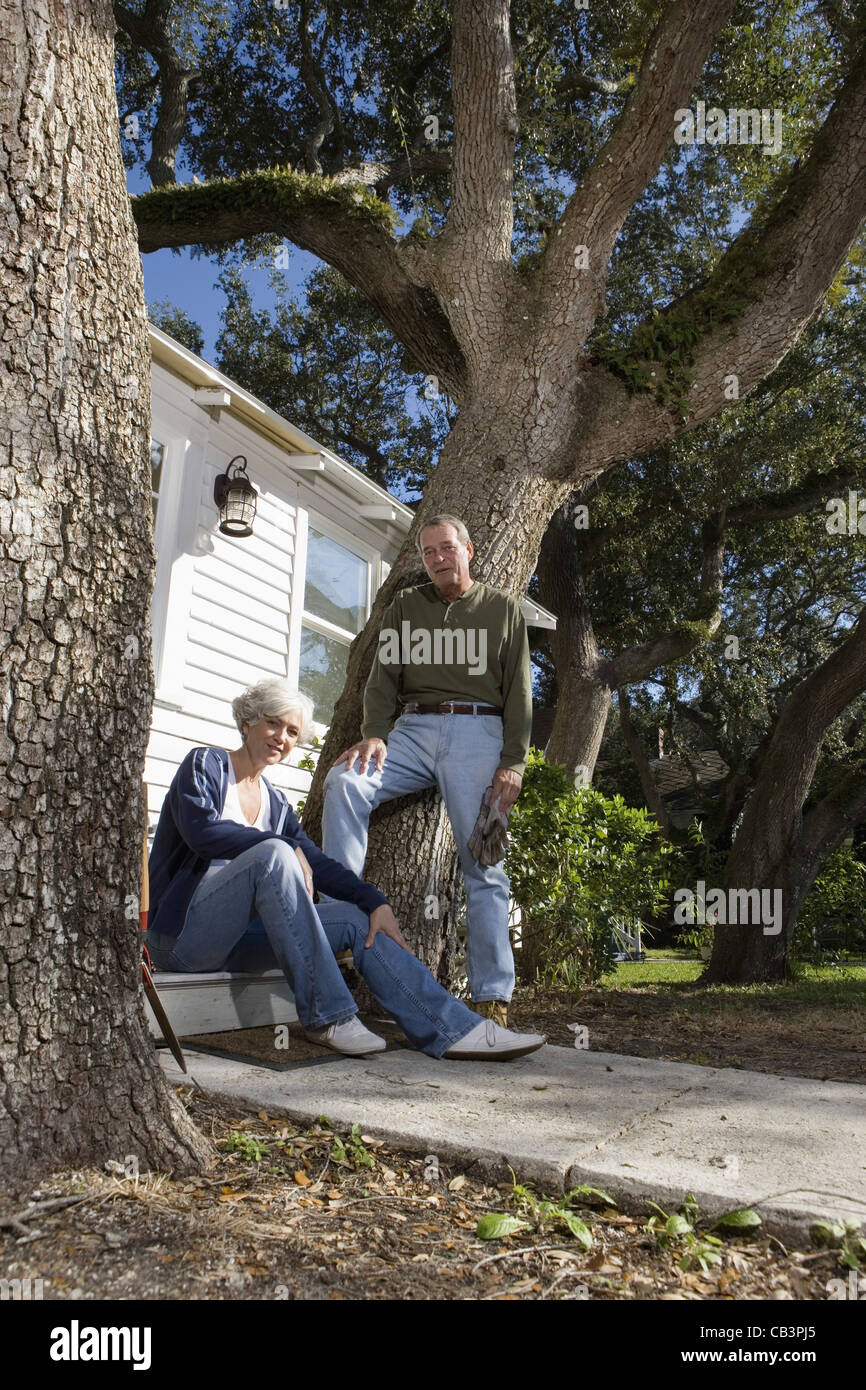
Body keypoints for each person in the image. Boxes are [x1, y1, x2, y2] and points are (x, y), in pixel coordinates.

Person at [144, 678, 544, 1061]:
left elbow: (318, 863)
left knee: (355, 918)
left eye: (291, 732)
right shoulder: (206, 765)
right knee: (273, 855)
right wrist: (280, 846)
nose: (281, 737)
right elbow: (202, 832)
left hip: (240, 943)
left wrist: (374, 900)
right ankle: (329, 1017)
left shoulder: (276, 803)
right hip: (181, 941)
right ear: (248, 721)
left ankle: (454, 1029)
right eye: (272, 723)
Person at [322, 516, 532, 1027]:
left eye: (446, 548)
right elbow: (382, 679)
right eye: (429, 552)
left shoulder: (503, 610)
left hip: (479, 735)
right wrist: (375, 731)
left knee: (484, 859)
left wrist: (513, 762)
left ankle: (491, 998)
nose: (438, 559)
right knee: (344, 783)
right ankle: (344, 927)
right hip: (413, 731)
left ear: (468, 550)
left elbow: (520, 693)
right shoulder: (405, 607)